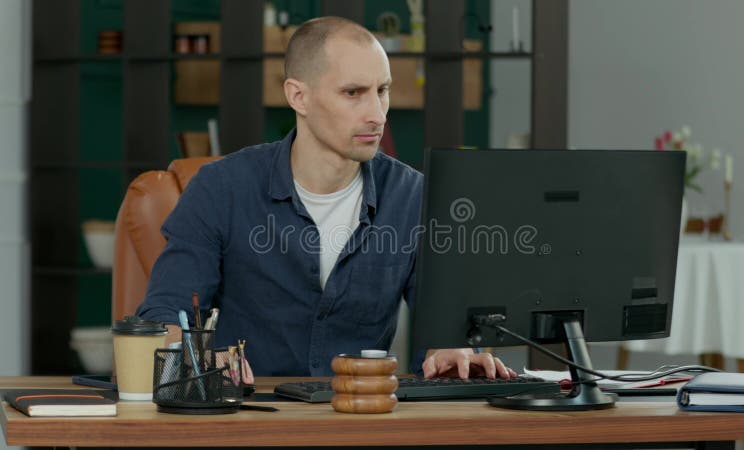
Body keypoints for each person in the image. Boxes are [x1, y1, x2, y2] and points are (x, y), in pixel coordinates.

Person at [136, 16, 515, 380]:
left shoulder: (413, 197)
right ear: (298, 96)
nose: (376, 114)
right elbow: (164, 315)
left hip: (360, 415)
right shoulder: (219, 189)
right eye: (353, 93)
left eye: (382, 91)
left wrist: (449, 351)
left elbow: (445, 331)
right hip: (249, 416)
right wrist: (195, 354)